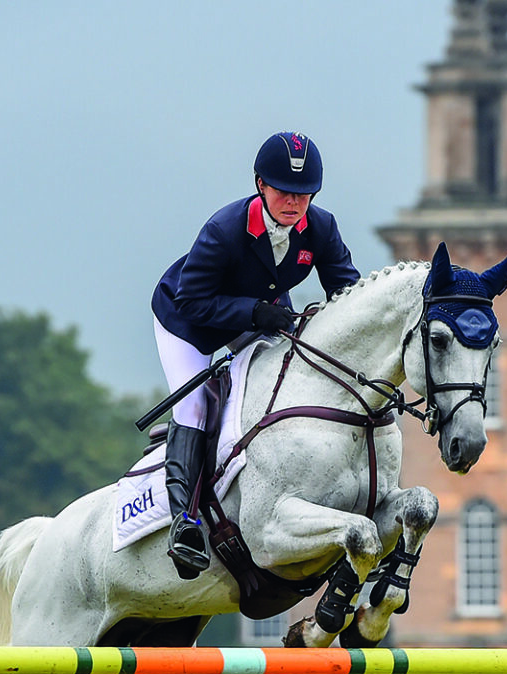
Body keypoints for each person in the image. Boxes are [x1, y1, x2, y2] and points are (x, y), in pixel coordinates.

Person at [150, 131, 362, 578]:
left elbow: (347, 290)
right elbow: (192, 300)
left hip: (260, 317)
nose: (294, 202)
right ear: (260, 185)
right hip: (188, 322)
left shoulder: (321, 227)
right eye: (284, 190)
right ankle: (184, 523)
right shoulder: (224, 229)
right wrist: (253, 312)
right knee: (196, 404)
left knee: (289, 379)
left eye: (304, 194)